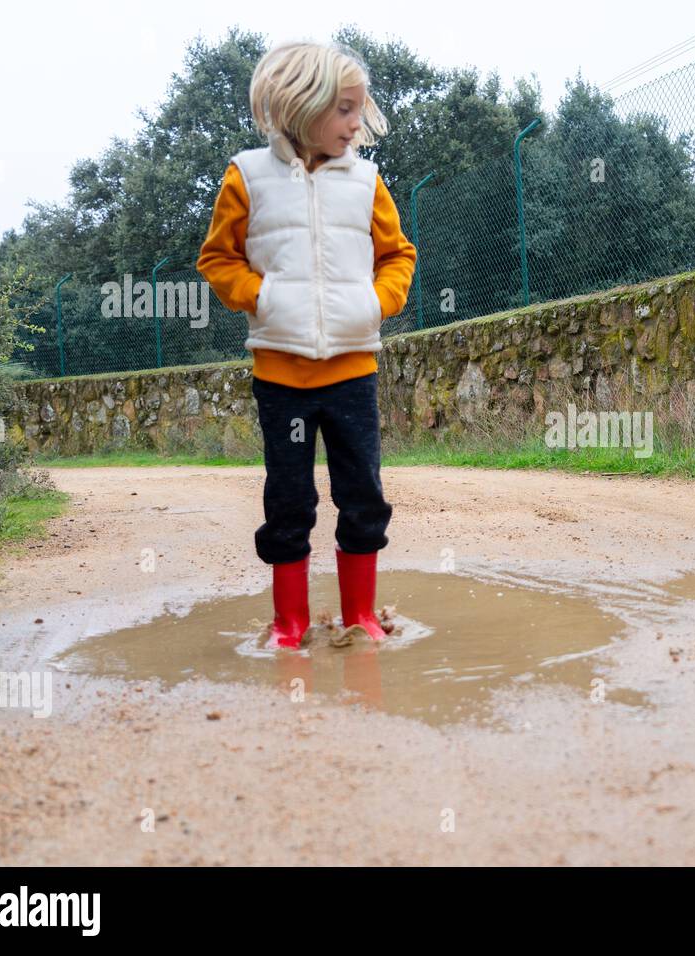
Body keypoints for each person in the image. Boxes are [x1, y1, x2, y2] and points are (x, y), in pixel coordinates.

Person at [197, 40, 416, 647]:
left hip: (352, 373)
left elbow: (398, 255)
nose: (355, 124)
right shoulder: (248, 176)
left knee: (363, 496)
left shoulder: (367, 181)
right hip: (280, 379)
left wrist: (378, 302)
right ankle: (289, 623)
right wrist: (263, 298)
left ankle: (361, 616)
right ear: (302, 106)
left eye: (359, 110)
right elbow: (217, 259)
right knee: (289, 502)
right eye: (345, 109)